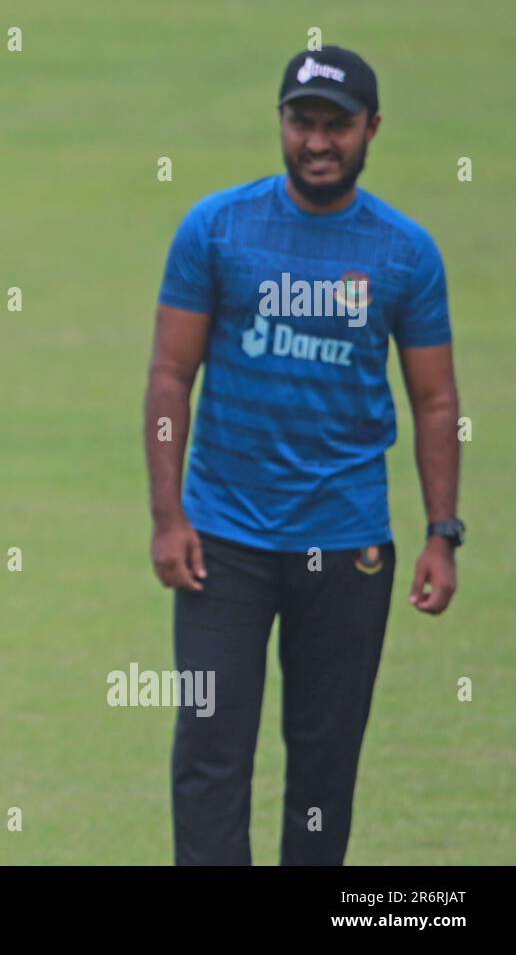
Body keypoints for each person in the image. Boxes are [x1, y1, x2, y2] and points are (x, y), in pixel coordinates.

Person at [144, 46, 463, 865]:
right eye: (302, 122)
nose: (318, 141)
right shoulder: (217, 229)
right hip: (223, 541)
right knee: (209, 752)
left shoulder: (405, 251)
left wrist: (441, 530)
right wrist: (168, 515)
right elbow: (171, 376)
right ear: (282, 123)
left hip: (350, 539)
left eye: (337, 125)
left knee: (325, 761)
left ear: (371, 129)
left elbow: (435, 400)